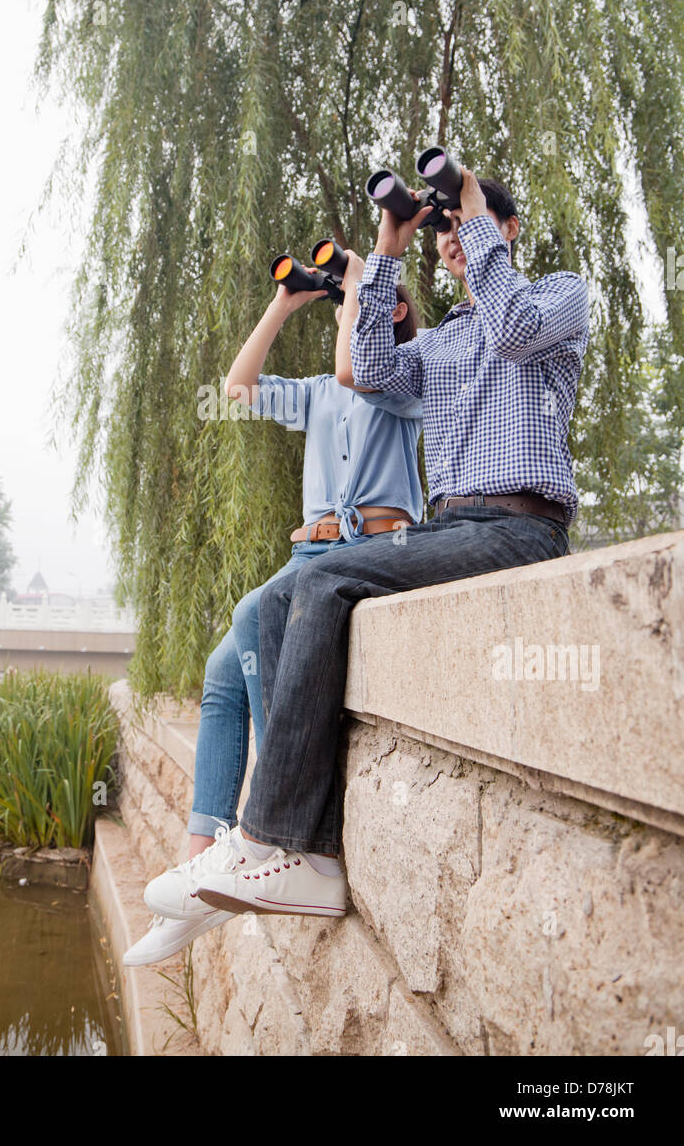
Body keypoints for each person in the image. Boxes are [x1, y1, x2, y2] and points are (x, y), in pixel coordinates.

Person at [193, 166, 590, 919]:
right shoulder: (437, 346)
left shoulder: (558, 297)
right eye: (443, 230)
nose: (451, 239)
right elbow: (365, 369)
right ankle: (301, 852)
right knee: (281, 603)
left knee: (321, 583)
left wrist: (470, 207)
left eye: (464, 225)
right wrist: (388, 243)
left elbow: (510, 328)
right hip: (450, 529)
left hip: (521, 529)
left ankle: (271, 835)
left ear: (504, 230)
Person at [123, 260, 424, 964]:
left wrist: (363, 282)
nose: (343, 321)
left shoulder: (402, 379)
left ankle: (271, 832)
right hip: (306, 556)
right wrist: (284, 304)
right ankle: (202, 861)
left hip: (372, 551)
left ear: (391, 318)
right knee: (222, 670)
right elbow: (236, 390)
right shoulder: (317, 395)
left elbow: (361, 368)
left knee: (249, 612)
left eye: (358, 308)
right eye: (344, 309)